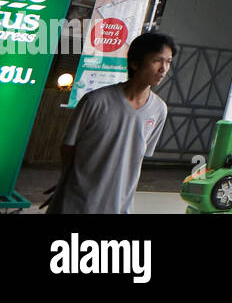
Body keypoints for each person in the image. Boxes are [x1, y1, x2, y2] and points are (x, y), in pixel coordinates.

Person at [49, 31, 175, 214]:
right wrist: (66, 184)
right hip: (76, 204)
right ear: (134, 63)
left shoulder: (159, 110)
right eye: (157, 60)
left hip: (118, 206)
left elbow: (137, 157)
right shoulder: (95, 101)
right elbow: (68, 148)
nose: (163, 68)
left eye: (168, 61)